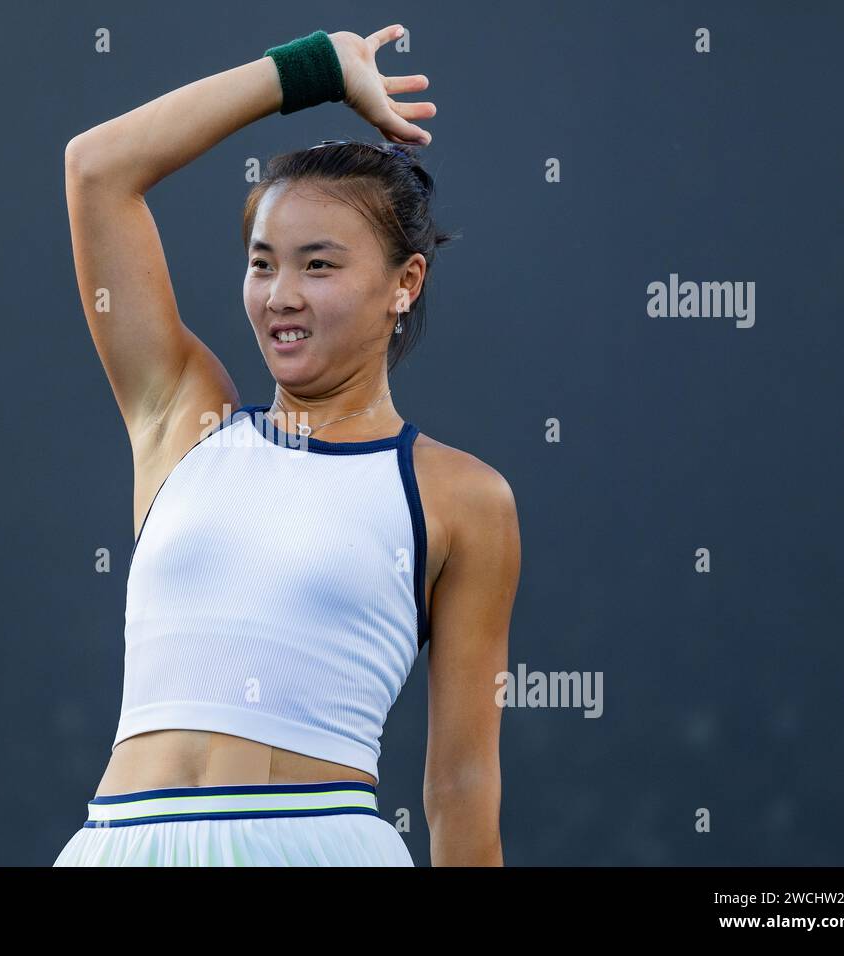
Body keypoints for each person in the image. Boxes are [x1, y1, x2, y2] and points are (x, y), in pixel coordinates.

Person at [55, 24, 520, 866]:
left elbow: (460, 792)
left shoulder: (461, 497)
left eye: (319, 265)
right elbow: (98, 169)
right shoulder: (181, 419)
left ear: (403, 284)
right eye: (263, 262)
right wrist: (315, 69)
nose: (281, 296)